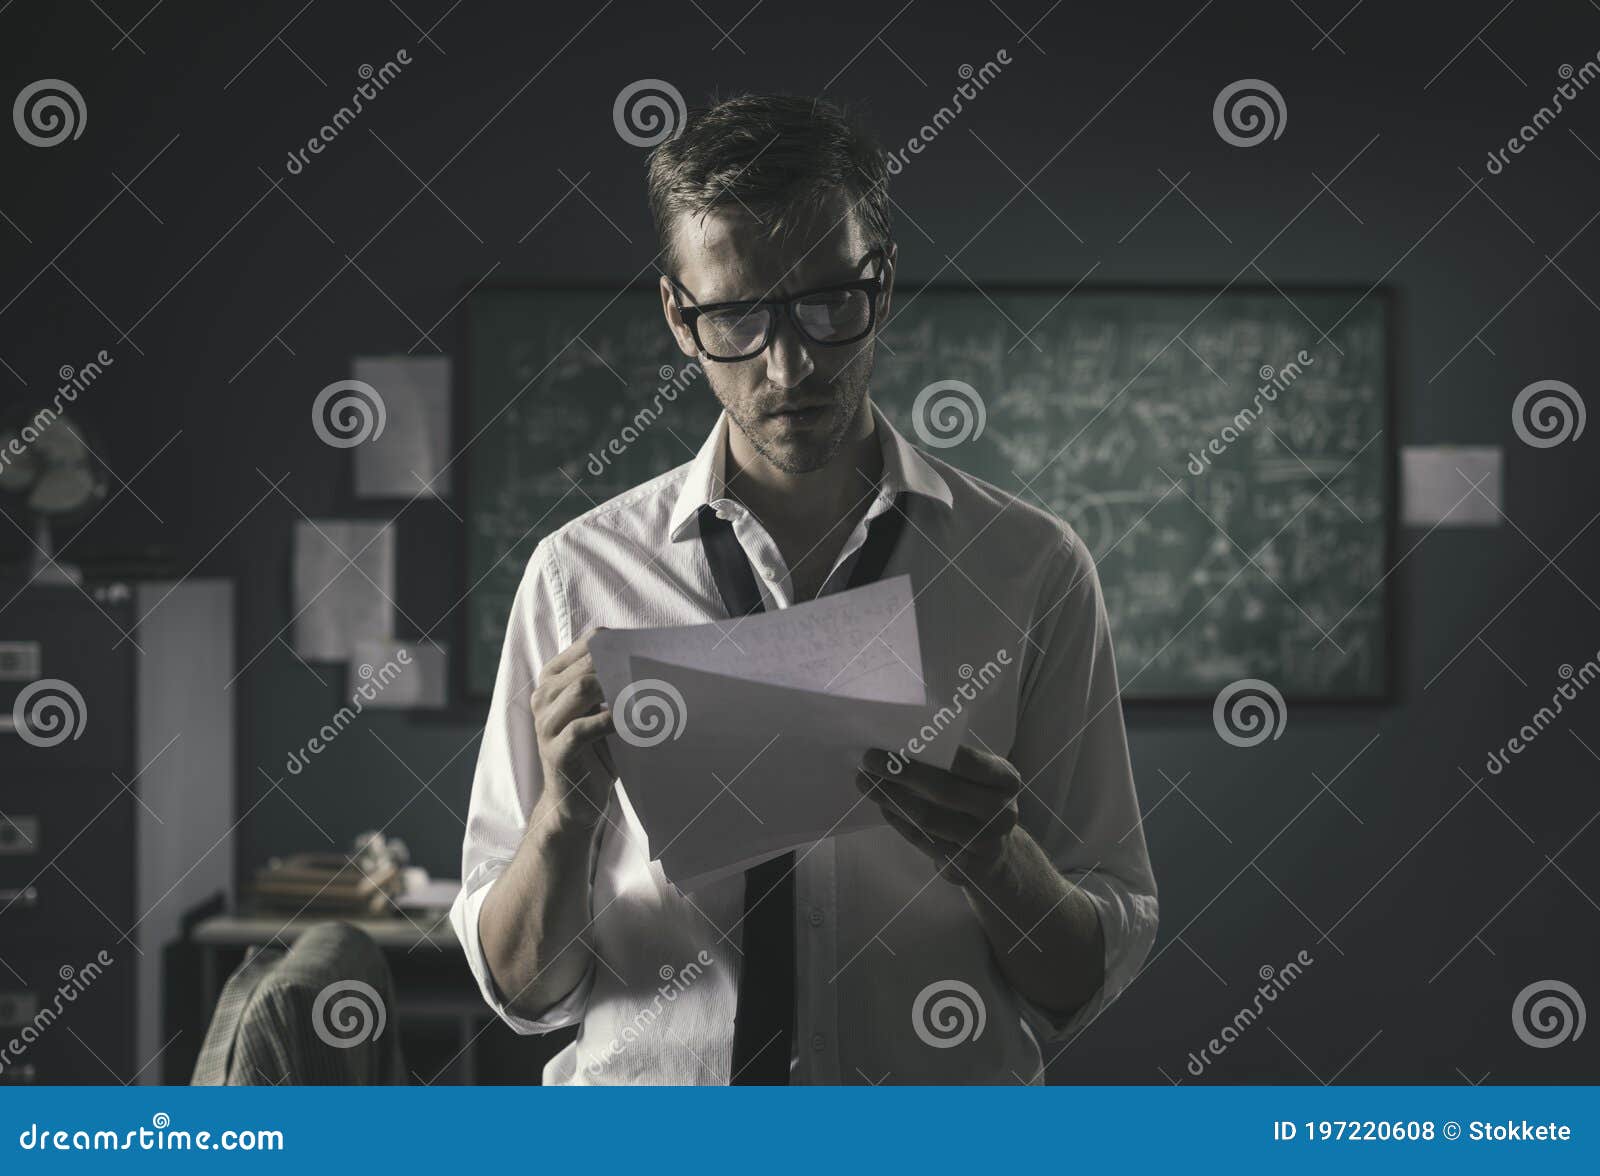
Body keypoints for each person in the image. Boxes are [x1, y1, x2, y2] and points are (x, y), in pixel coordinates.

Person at [451, 92, 1157, 1084]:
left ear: (885, 280)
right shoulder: (575, 577)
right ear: (677, 315)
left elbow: (1077, 980)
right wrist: (563, 822)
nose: (790, 367)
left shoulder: (1032, 568)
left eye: (831, 303)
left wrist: (999, 859)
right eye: (737, 315)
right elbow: (523, 993)